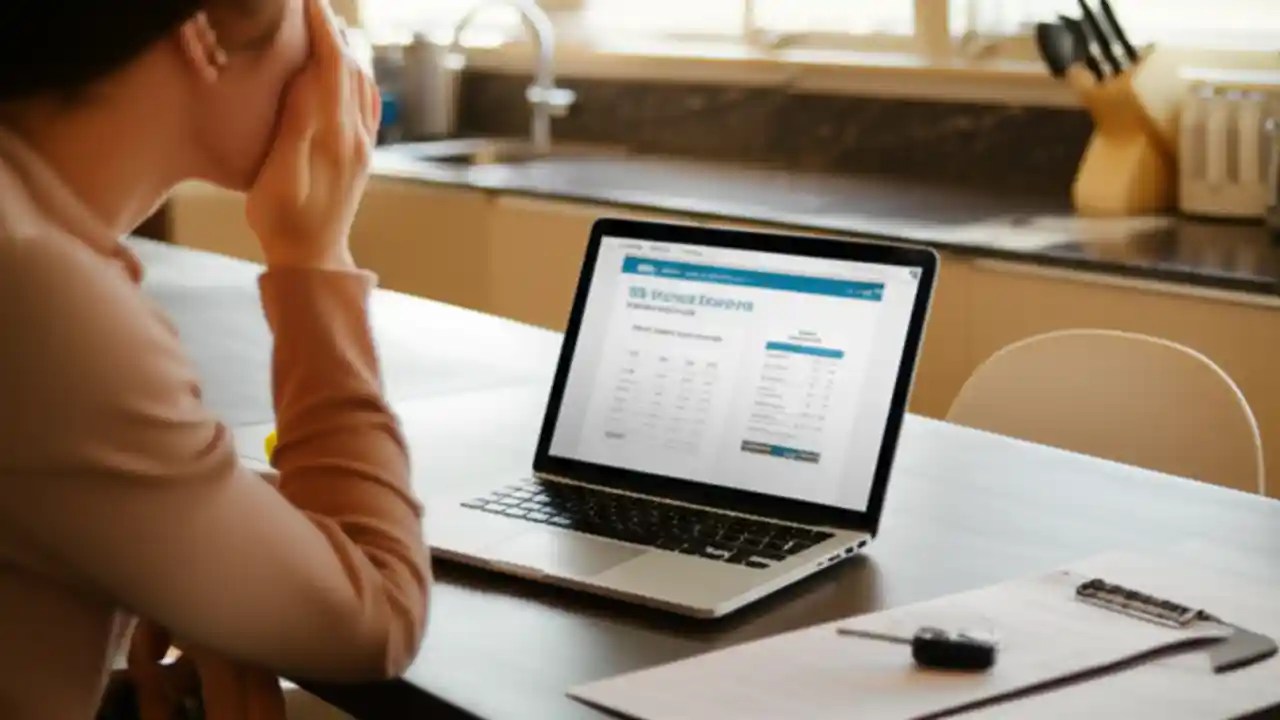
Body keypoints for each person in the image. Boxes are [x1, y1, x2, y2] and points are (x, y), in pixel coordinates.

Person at [0, 1, 431, 718]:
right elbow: (376, 615)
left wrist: (194, 549)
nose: (337, 45)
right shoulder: (38, 293)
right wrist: (315, 257)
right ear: (200, 34)